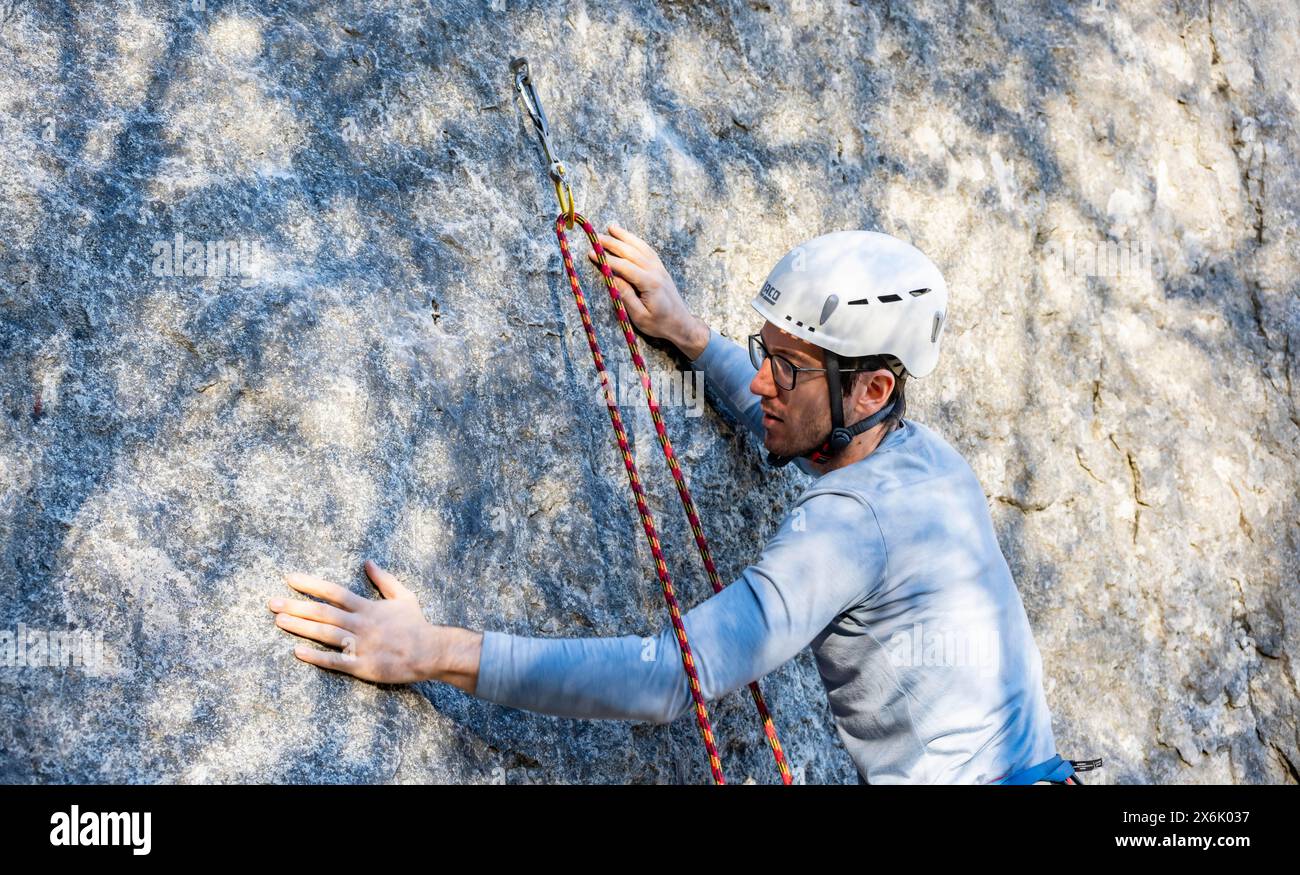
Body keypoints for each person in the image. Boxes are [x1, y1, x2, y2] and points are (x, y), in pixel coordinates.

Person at [268, 226, 1079, 785]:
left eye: (788, 368)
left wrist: (431, 650)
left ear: (873, 387)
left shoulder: (853, 525)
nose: (763, 381)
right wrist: (688, 333)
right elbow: (788, 427)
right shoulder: (922, 462)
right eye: (767, 355)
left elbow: (670, 676)